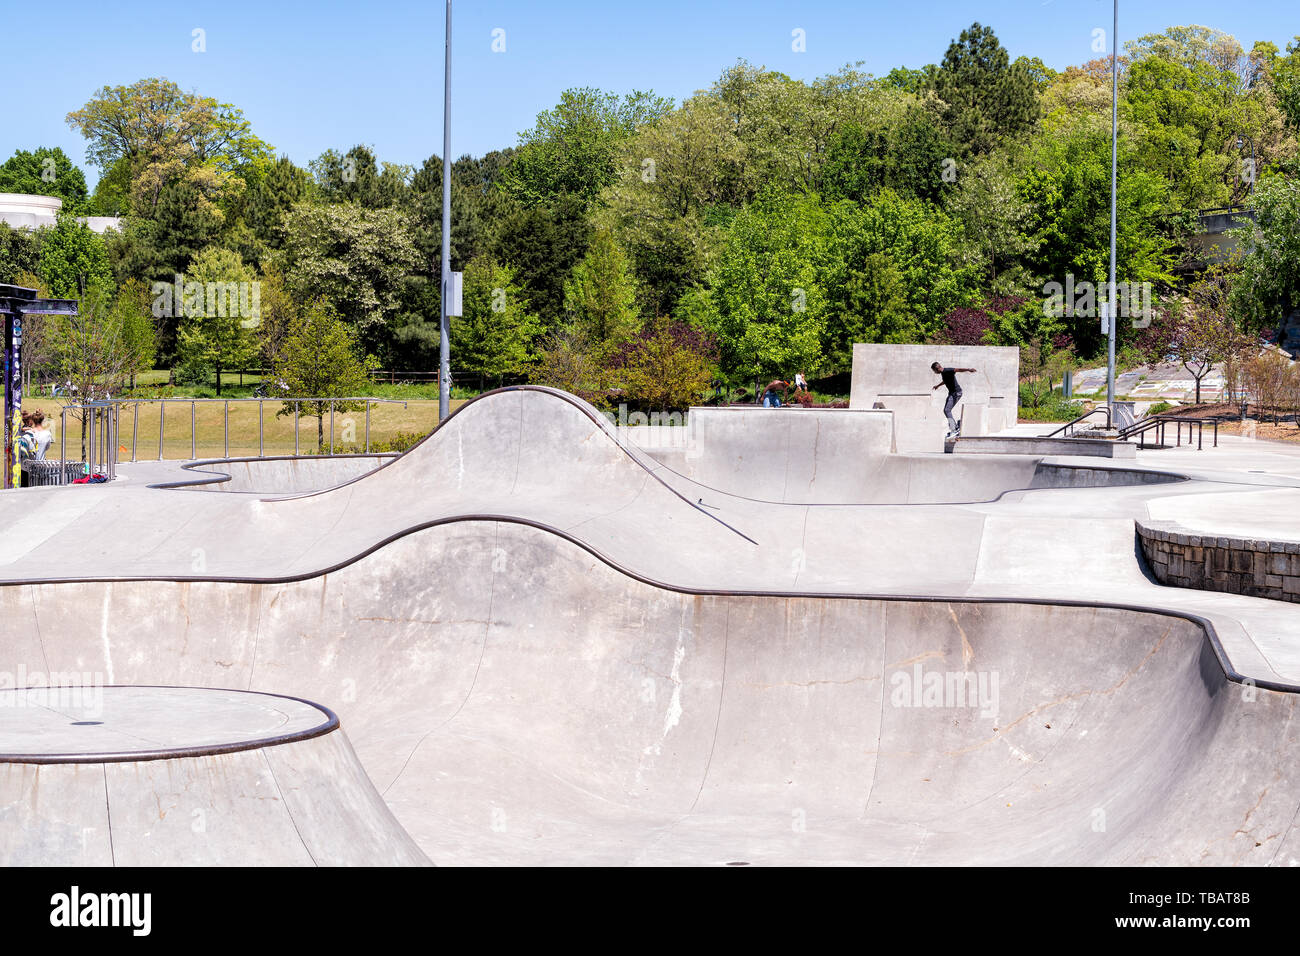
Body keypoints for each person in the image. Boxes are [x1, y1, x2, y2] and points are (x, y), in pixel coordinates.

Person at [932, 361, 976, 438]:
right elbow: (945, 381)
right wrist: (938, 385)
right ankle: (954, 428)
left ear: (937, 369)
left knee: (947, 410)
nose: (934, 372)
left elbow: (958, 369)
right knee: (946, 410)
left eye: (934, 371)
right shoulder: (943, 373)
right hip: (952, 393)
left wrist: (968, 369)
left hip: (956, 393)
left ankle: (954, 429)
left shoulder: (947, 370)